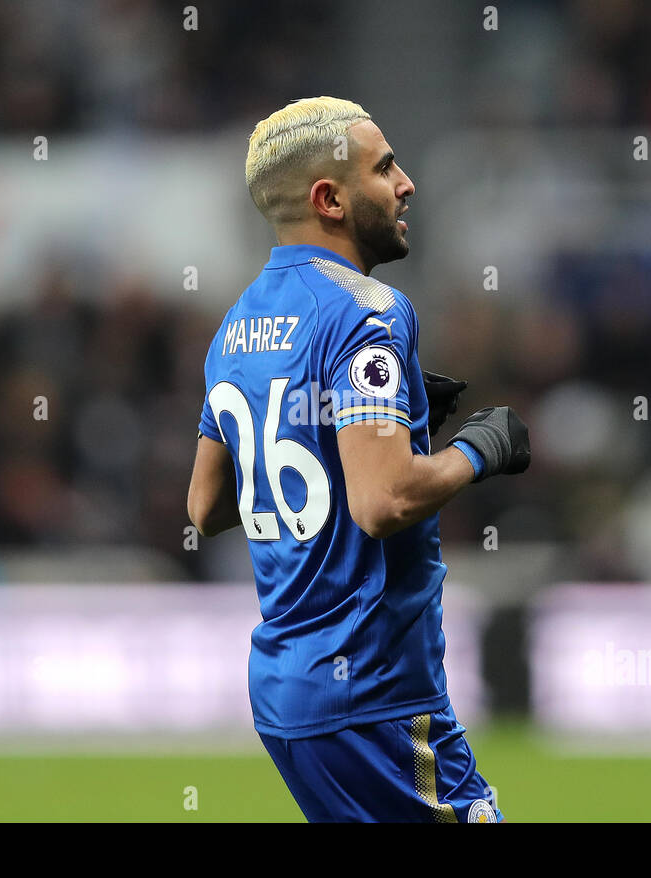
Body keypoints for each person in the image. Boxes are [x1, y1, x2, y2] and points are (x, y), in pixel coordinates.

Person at [186, 96, 530, 822]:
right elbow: (384, 501)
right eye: (385, 168)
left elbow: (207, 506)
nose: (407, 183)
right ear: (329, 199)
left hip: (285, 692)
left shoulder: (236, 325)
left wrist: (345, 431)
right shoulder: (368, 310)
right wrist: (481, 446)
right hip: (373, 690)